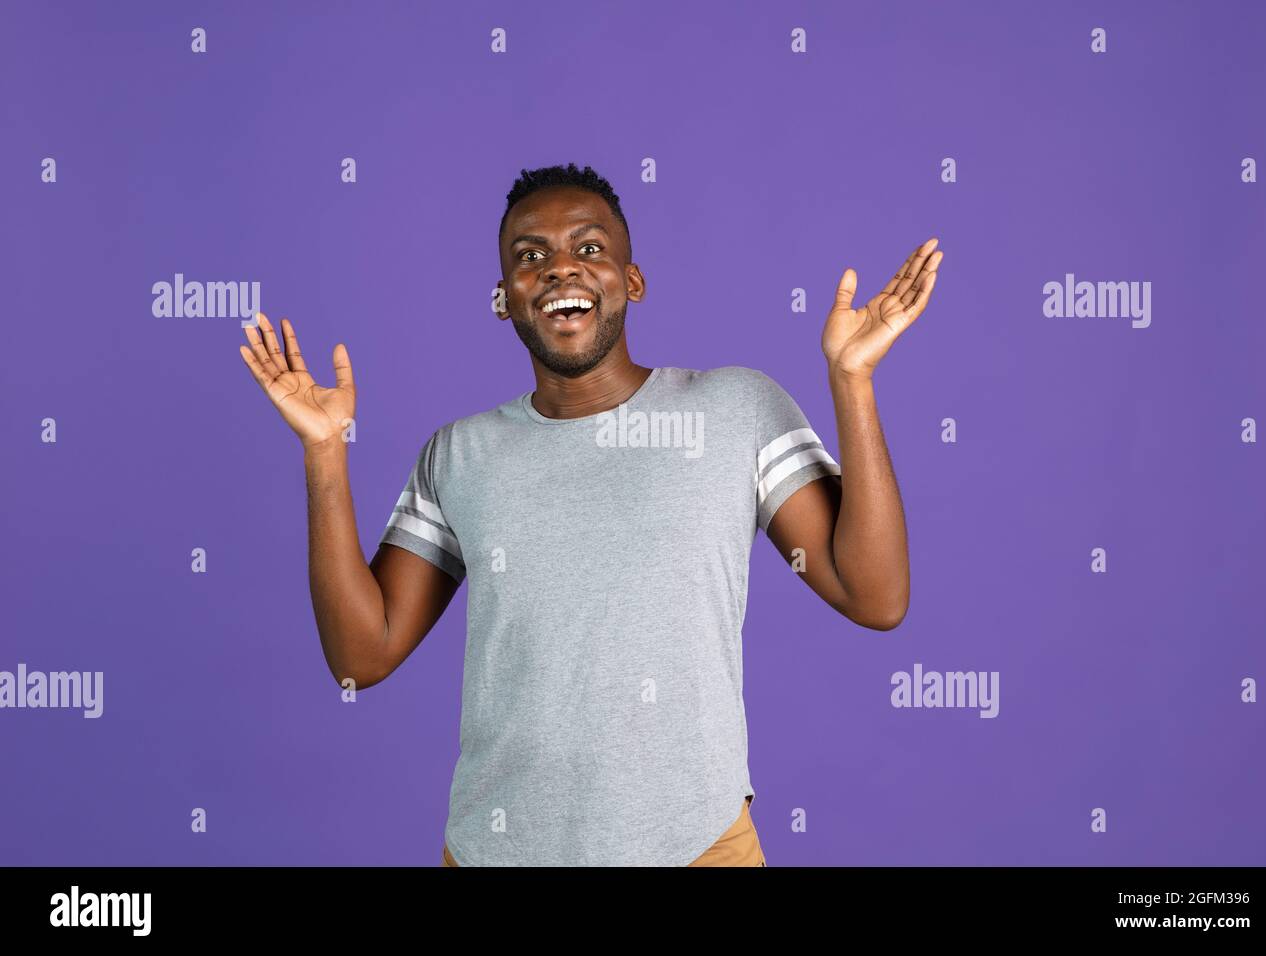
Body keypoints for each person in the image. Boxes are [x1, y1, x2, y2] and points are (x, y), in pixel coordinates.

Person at [238, 163, 942, 866]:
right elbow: (362, 657)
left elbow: (875, 595)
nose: (558, 269)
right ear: (502, 299)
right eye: (530, 257)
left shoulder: (736, 410)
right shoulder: (459, 455)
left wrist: (853, 382)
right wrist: (325, 451)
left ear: (631, 281)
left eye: (590, 248)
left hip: (696, 847)